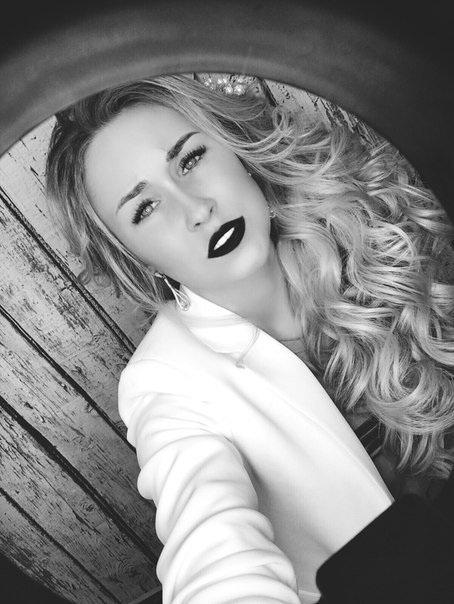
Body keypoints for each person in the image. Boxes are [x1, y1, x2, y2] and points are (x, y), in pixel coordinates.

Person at [45, 74, 454, 603]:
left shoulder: (363, 224)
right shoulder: (163, 384)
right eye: (145, 208)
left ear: (236, 150)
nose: (196, 209)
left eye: (190, 159)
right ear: (135, 259)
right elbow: (211, 551)